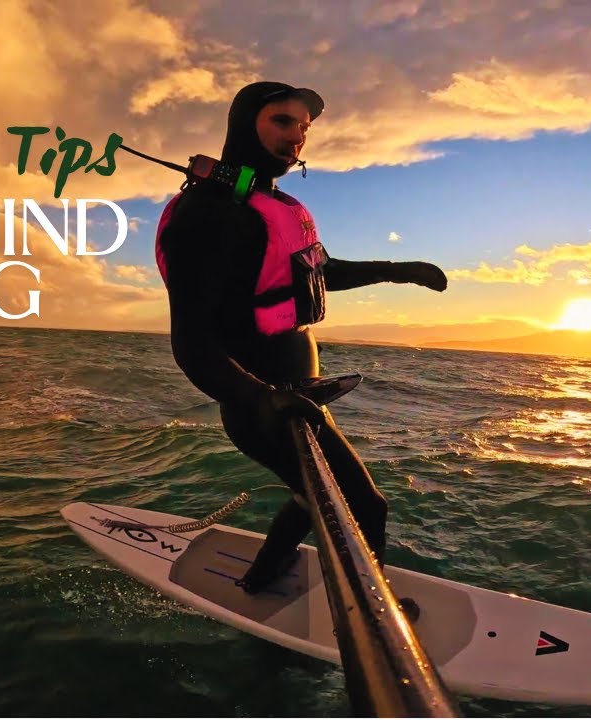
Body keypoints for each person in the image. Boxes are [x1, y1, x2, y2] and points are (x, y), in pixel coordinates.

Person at [155, 81, 447, 593]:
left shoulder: (276, 206)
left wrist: (398, 270)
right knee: (365, 506)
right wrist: (264, 398)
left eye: (304, 127)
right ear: (244, 125)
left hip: (297, 394)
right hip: (262, 404)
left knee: (310, 495)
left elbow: (318, 272)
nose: (297, 137)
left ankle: (260, 579)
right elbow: (192, 345)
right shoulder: (206, 213)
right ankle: (370, 612)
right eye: (282, 121)